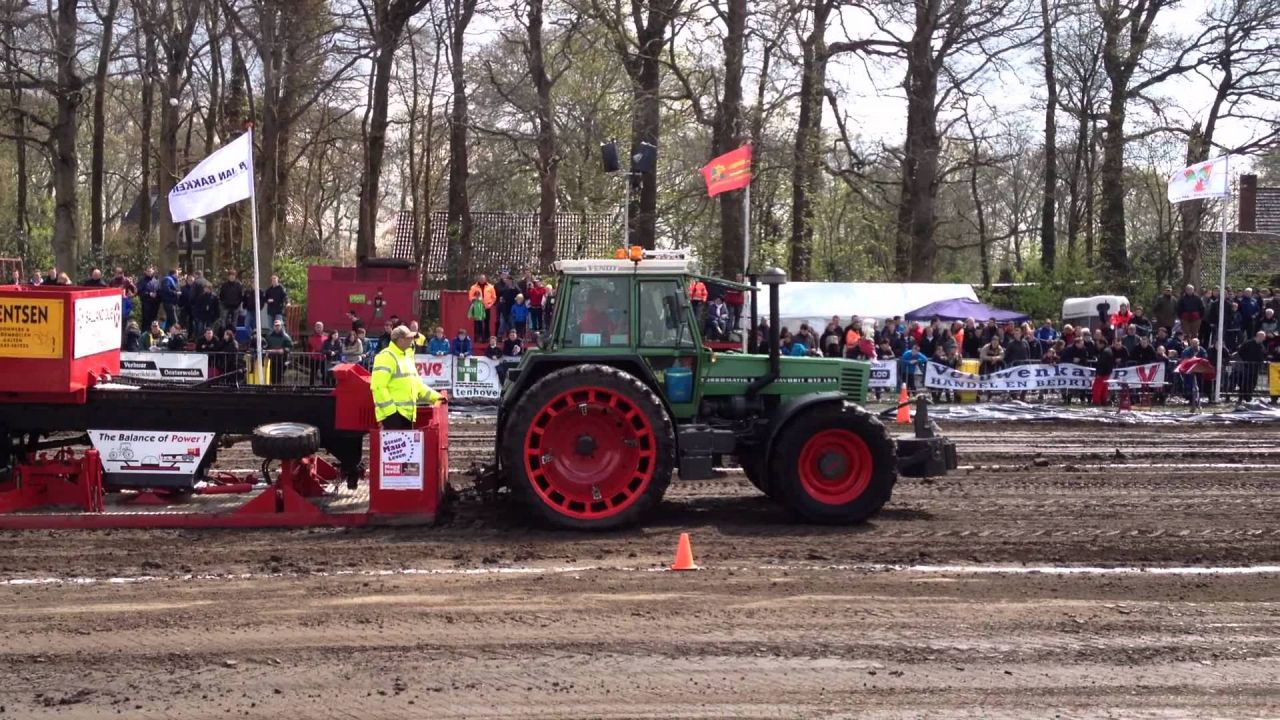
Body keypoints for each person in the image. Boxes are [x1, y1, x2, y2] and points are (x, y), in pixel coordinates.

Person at [370, 325, 444, 430]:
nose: (412, 340)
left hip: (406, 415)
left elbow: (418, 385)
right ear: (400, 340)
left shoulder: (407, 358)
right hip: (393, 417)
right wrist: (391, 413)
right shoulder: (386, 356)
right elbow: (378, 387)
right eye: (409, 338)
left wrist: (436, 397)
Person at [1235, 331, 1266, 402]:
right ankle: (1242, 397)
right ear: (1258, 336)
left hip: (1255, 368)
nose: (1263, 339)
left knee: (1253, 383)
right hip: (1246, 367)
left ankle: (1249, 397)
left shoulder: (1261, 346)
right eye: (1262, 337)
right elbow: (1240, 351)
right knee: (1244, 383)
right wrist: (1244, 361)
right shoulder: (1248, 343)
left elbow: (1262, 355)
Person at [468, 274, 496, 341]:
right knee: (478, 322)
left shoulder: (491, 287)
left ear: (485, 279)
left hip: (486, 307)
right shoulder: (473, 287)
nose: (482, 280)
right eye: (480, 279)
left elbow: (494, 297)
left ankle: (486, 337)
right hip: (478, 307)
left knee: (487, 322)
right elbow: (470, 297)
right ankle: (478, 337)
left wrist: (490, 304)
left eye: (483, 279)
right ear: (478, 279)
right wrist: (475, 299)